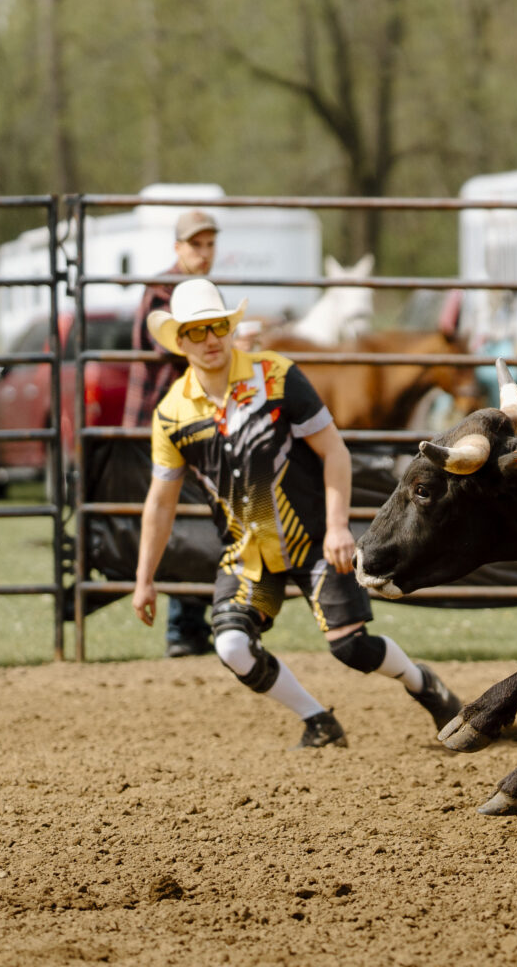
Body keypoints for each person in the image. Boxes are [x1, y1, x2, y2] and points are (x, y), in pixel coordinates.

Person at [131, 278, 462, 749]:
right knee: (231, 645)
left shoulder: (276, 376)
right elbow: (160, 502)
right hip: (249, 554)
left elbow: (335, 452)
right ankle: (318, 721)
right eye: (196, 331)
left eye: (216, 328)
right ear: (179, 341)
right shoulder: (172, 415)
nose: (209, 340)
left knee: (352, 648)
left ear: (229, 329)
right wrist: (145, 578)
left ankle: (422, 683)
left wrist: (336, 527)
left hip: (314, 541)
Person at [126, 208, 219, 657]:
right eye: (195, 245)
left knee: (195, 516)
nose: (203, 254)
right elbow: (171, 346)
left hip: (191, 419)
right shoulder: (162, 292)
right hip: (165, 418)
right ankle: (183, 627)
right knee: (180, 518)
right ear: (178, 248)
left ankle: (192, 624)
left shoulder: (187, 291)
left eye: (209, 245)